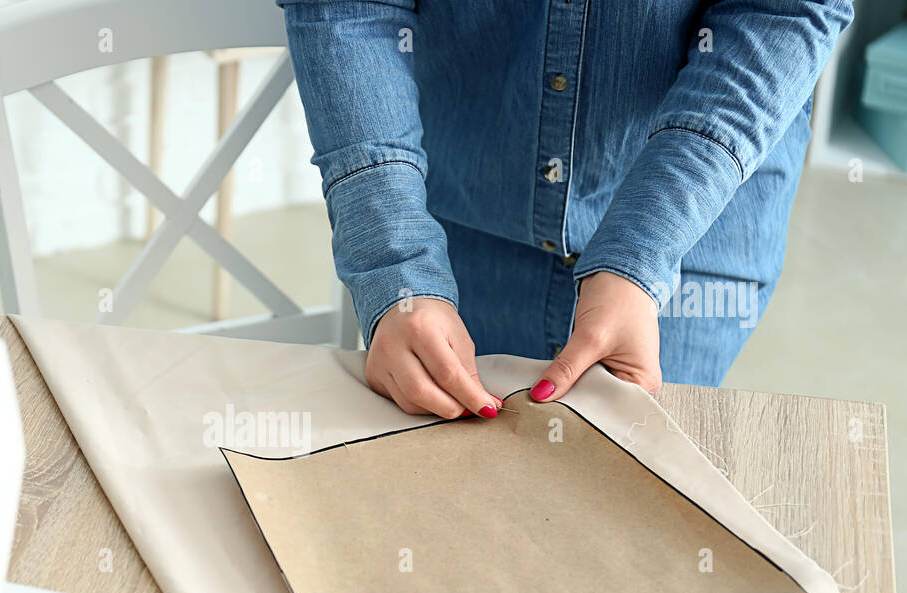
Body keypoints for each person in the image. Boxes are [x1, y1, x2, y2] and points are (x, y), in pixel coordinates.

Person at [278, 0, 853, 418]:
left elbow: (786, 9)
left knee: (639, 534)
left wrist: (640, 254)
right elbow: (348, 9)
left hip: (692, 228)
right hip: (455, 229)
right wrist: (395, 265)